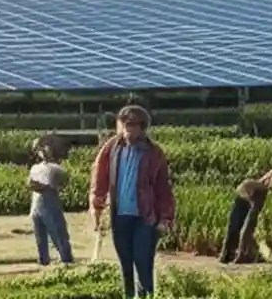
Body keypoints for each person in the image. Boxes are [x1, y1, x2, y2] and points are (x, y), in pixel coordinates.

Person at [89, 105, 175, 298]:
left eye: (132, 125)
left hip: (144, 217)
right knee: (125, 263)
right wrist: (96, 204)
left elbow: (163, 188)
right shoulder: (111, 149)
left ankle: (146, 296)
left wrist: (165, 219)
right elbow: (99, 177)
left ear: (142, 128)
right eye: (124, 124)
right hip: (120, 216)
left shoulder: (154, 154)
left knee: (143, 262)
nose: (127, 129)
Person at [219, 169, 272, 264]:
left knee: (234, 226)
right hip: (246, 194)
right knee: (247, 228)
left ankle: (226, 255)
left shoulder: (258, 184)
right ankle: (241, 255)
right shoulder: (262, 191)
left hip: (242, 192)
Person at [29, 138, 74, 266]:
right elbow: (30, 183)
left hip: (50, 204)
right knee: (40, 236)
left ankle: (66, 258)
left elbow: (64, 182)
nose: (42, 151)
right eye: (38, 149)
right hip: (36, 206)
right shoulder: (35, 168)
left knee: (58, 232)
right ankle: (43, 259)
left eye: (44, 147)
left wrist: (49, 188)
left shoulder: (56, 168)